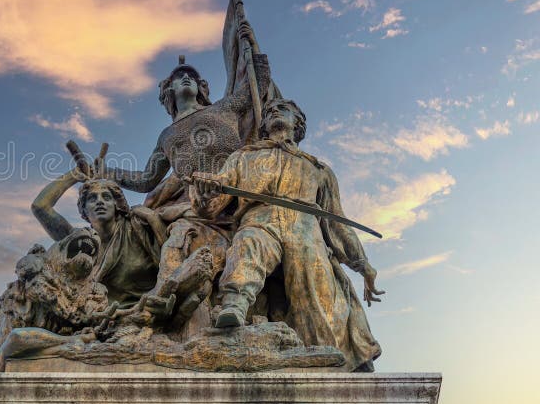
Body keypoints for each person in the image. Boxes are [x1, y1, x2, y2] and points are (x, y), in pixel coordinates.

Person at [191, 98, 385, 371]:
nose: (273, 112)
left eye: (282, 109)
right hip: (259, 216)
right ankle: (234, 305)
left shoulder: (318, 170)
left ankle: (330, 352)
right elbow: (213, 199)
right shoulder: (243, 157)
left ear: (298, 123)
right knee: (249, 246)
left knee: (315, 286)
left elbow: (337, 222)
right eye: (269, 111)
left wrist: (362, 263)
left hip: (305, 226)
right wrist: (206, 187)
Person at [106, 23, 277, 325]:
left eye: (192, 77)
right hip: (195, 208)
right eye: (178, 78)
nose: (186, 78)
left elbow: (255, 88)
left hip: (238, 198)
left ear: (201, 87)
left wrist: (252, 46)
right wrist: (106, 171)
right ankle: (163, 298)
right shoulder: (167, 135)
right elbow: (147, 179)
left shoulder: (225, 108)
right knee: (179, 238)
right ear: (168, 91)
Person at [31, 169, 165, 307]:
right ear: (84, 209)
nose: (99, 202)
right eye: (92, 198)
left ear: (116, 204)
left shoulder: (138, 227)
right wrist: (75, 174)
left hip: (151, 311)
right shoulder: (81, 242)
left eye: (106, 197)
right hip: (102, 319)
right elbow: (40, 207)